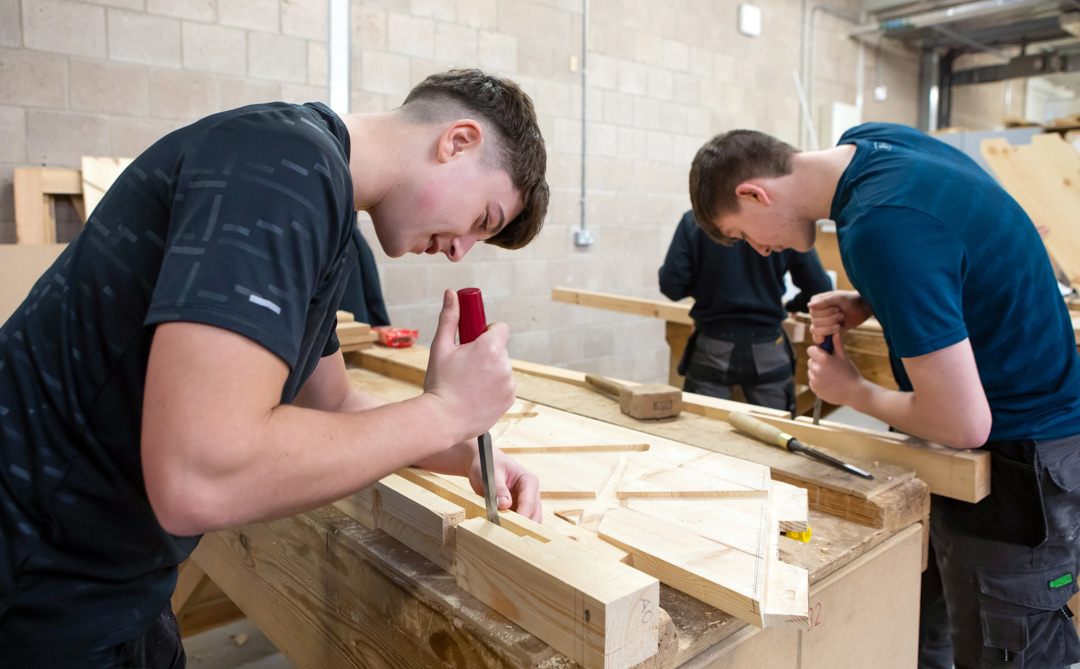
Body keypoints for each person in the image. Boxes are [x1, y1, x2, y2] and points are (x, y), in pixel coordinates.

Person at [0, 68, 549, 667]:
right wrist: (444, 412)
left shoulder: (318, 204)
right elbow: (200, 476)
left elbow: (332, 403)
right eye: (483, 219)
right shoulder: (286, 169)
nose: (460, 250)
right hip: (36, 577)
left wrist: (463, 451)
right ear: (458, 141)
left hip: (107, 576)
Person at [688, 123, 1080, 669]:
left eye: (741, 234)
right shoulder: (876, 144)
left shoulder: (877, 227)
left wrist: (852, 391)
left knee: (1004, 654)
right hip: (991, 445)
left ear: (754, 194)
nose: (759, 250)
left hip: (1021, 462)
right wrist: (874, 298)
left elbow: (965, 422)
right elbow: (956, 240)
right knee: (930, 628)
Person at [658, 209, 831, 413]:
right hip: (767, 349)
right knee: (777, 427)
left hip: (713, 347)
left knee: (702, 424)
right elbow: (820, 288)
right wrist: (793, 305)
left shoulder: (698, 218)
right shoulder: (784, 218)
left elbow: (671, 285)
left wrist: (706, 289)